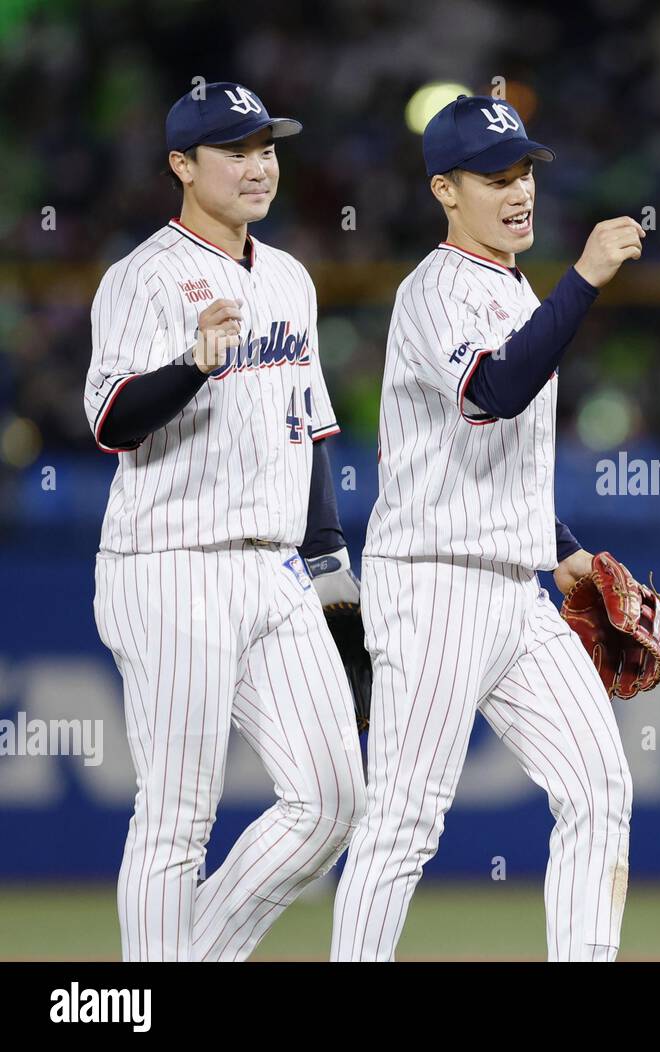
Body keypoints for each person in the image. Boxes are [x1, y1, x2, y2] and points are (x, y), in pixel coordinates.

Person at [330, 96, 646, 962]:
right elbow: (492, 394)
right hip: (432, 581)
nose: (519, 191)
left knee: (599, 787)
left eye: (526, 172)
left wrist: (569, 551)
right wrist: (584, 279)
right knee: (404, 820)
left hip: (515, 585)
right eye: (495, 176)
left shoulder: (514, 287)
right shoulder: (434, 289)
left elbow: (492, 467)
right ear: (445, 189)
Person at [85, 82, 366, 961]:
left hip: (275, 568)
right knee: (177, 813)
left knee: (331, 799)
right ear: (181, 165)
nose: (258, 167)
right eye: (234, 151)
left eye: (267, 148)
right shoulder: (142, 277)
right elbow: (112, 420)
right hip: (169, 562)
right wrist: (192, 364)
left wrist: (341, 598)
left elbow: (310, 438)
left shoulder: (289, 276)